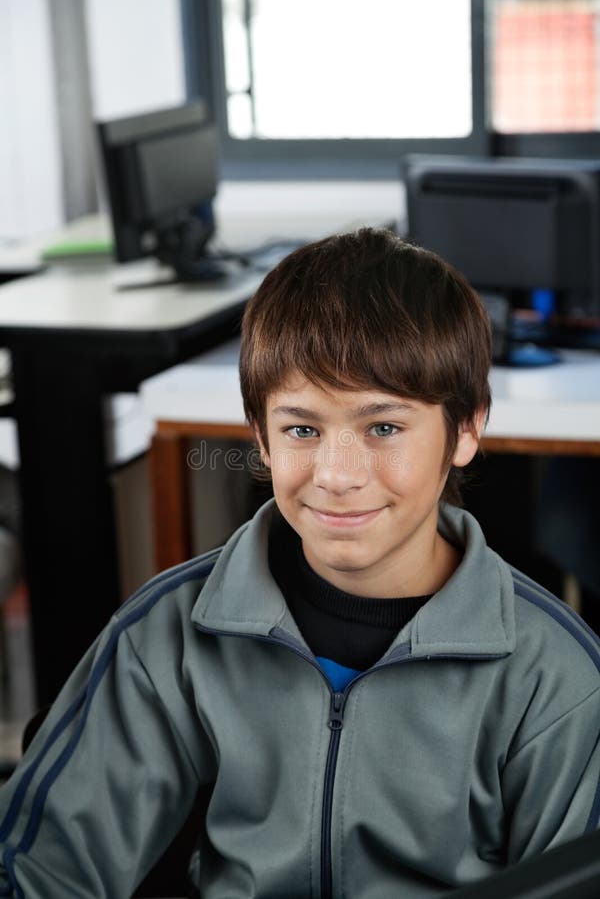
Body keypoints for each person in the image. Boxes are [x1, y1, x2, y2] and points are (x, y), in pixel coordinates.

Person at [1, 228, 599, 898]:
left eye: (384, 428)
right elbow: (38, 872)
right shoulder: (165, 636)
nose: (336, 476)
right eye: (302, 430)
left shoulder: (558, 680)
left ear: (466, 431)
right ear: (259, 437)